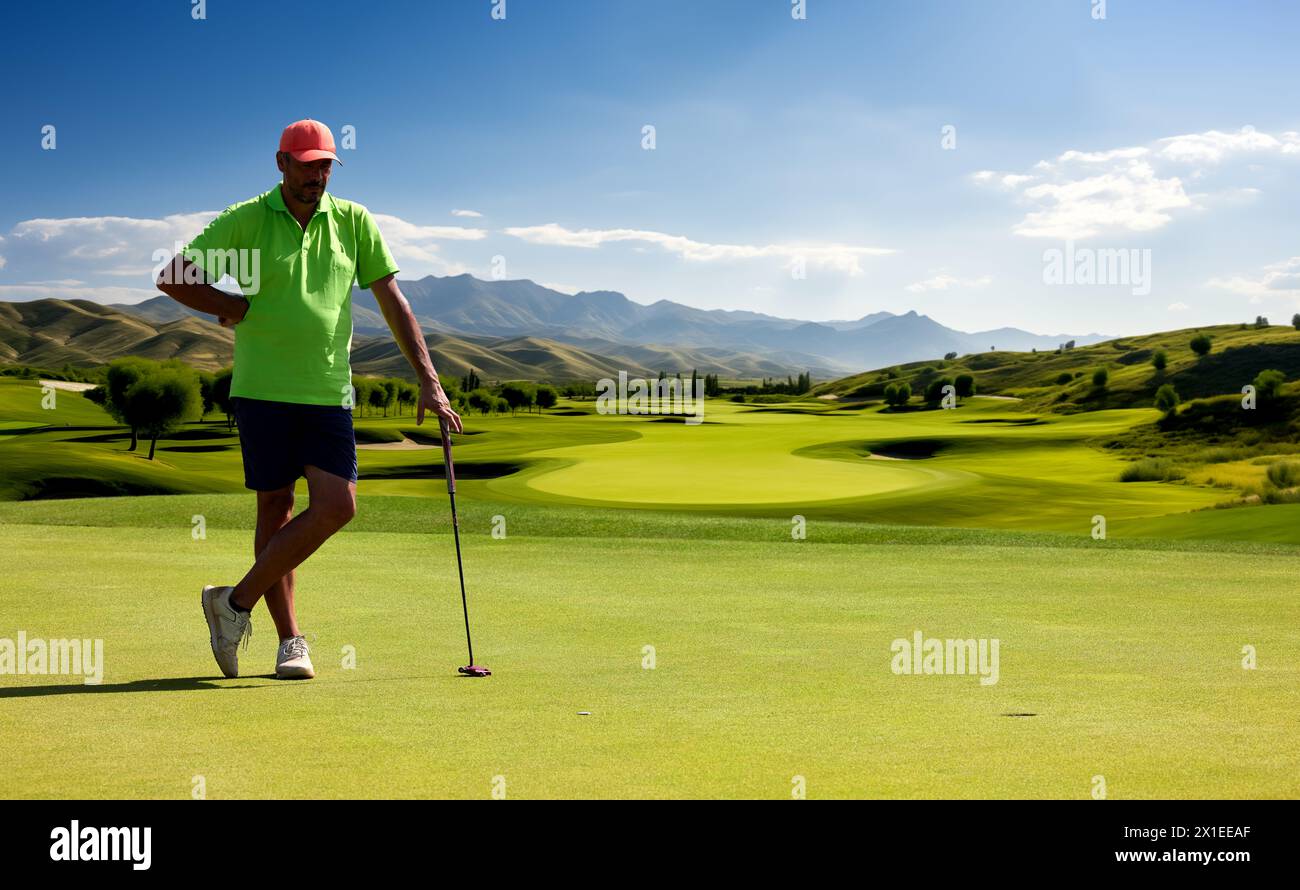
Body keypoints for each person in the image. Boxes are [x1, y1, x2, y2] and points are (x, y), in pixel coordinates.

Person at [155, 119, 463, 680]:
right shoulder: (246, 219)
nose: (316, 176)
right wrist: (234, 304)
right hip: (262, 390)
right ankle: (289, 642)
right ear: (281, 164)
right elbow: (173, 276)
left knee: (337, 506)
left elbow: (393, 300)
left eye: (325, 165)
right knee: (275, 509)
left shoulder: (353, 221)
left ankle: (231, 604)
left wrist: (430, 379)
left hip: (327, 390)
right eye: (306, 165)